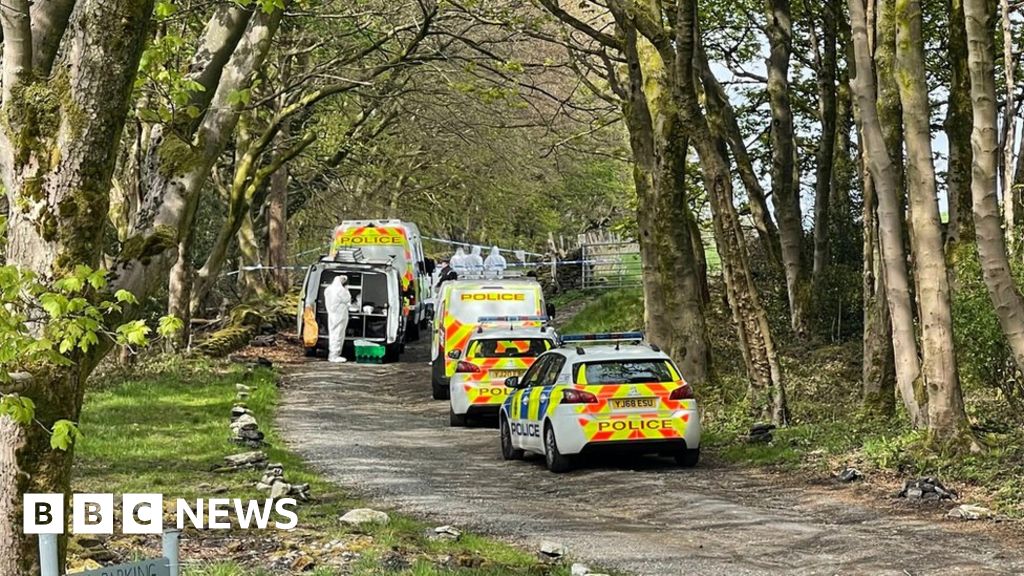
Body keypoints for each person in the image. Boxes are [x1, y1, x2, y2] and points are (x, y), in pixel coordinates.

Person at [324, 275, 352, 363]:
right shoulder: (341, 290)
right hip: (340, 315)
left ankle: (332, 354)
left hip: (332, 315)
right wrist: (346, 289)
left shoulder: (328, 289)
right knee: (338, 335)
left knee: (333, 334)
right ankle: (334, 355)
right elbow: (347, 298)